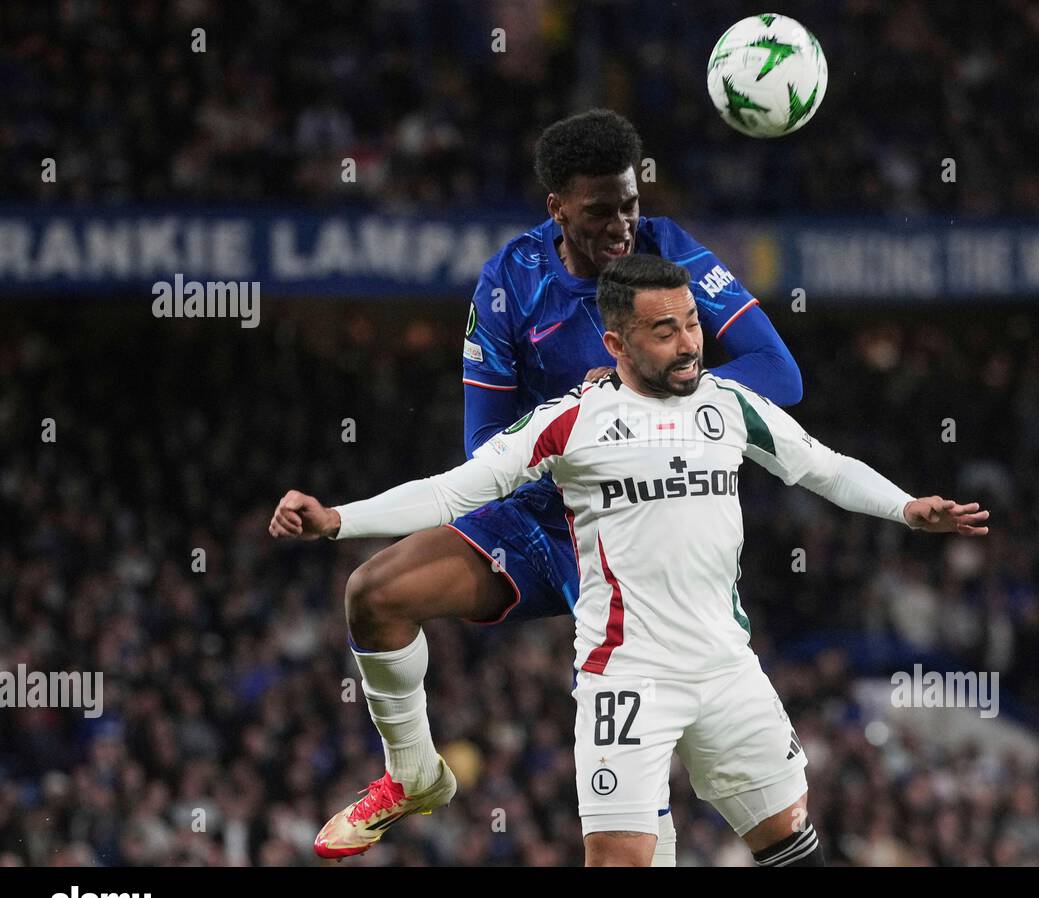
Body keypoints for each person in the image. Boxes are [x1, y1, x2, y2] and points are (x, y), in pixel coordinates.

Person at [271, 254, 988, 865]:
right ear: (616, 341)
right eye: (665, 329)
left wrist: (905, 507)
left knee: (791, 842)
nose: (688, 344)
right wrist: (339, 520)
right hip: (627, 680)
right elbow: (450, 492)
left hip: (727, 669)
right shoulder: (571, 422)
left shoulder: (731, 406)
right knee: (617, 858)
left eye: (692, 324)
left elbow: (825, 469)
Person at [271, 109, 803, 860]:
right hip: (545, 510)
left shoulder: (669, 252)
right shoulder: (510, 283)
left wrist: (648, 397)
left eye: (629, 202)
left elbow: (779, 374)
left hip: (645, 527)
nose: (622, 224)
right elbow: (483, 447)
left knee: (679, 780)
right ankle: (415, 774)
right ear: (557, 208)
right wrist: (576, 433)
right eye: (599, 211)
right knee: (374, 593)